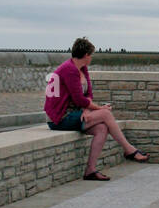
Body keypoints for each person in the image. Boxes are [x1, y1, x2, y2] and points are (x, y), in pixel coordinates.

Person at [45, 37, 149, 181]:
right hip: (60, 118)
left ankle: (90, 171)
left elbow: (88, 95)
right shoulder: (69, 69)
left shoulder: (82, 68)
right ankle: (129, 150)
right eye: (91, 54)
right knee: (106, 114)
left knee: (102, 129)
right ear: (86, 55)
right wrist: (99, 108)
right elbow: (79, 99)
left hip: (77, 113)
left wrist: (87, 110)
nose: (91, 57)